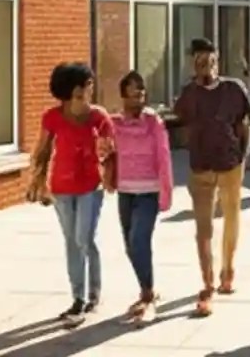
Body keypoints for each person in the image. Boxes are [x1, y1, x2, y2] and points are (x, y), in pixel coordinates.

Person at [172, 38, 250, 317]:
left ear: (217, 60)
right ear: (192, 63)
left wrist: (243, 155)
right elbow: (180, 124)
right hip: (201, 167)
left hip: (230, 164)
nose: (205, 67)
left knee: (232, 217)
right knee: (203, 228)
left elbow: (246, 124)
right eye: (199, 62)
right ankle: (207, 281)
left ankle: (228, 269)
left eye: (210, 61)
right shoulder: (188, 94)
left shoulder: (234, 89)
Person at [28, 62, 114, 325]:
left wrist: (108, 162)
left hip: (90, 185)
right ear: (69, 90)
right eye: (83, 87)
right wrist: (38, 183)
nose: (89, 90)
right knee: (71, 242)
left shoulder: (99, 116)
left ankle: (93, 292)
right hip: (62, 187)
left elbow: (110, 151)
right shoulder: (52, 117)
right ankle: (78, 297)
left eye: (89, 85)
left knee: (83, 238)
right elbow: (42, 151)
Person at [109, 70, 173, 325]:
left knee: (139, 240)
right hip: (125, 191)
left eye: (142, 90)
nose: (139, 95)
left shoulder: (153, 122)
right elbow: (105, 148)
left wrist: (166, 192)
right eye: (134, 90)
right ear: (124, 95)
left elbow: (164, 156)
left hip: (149, 191)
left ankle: (147, 295)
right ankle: (147, 288)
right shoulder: (115, 123)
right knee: (129, 245)